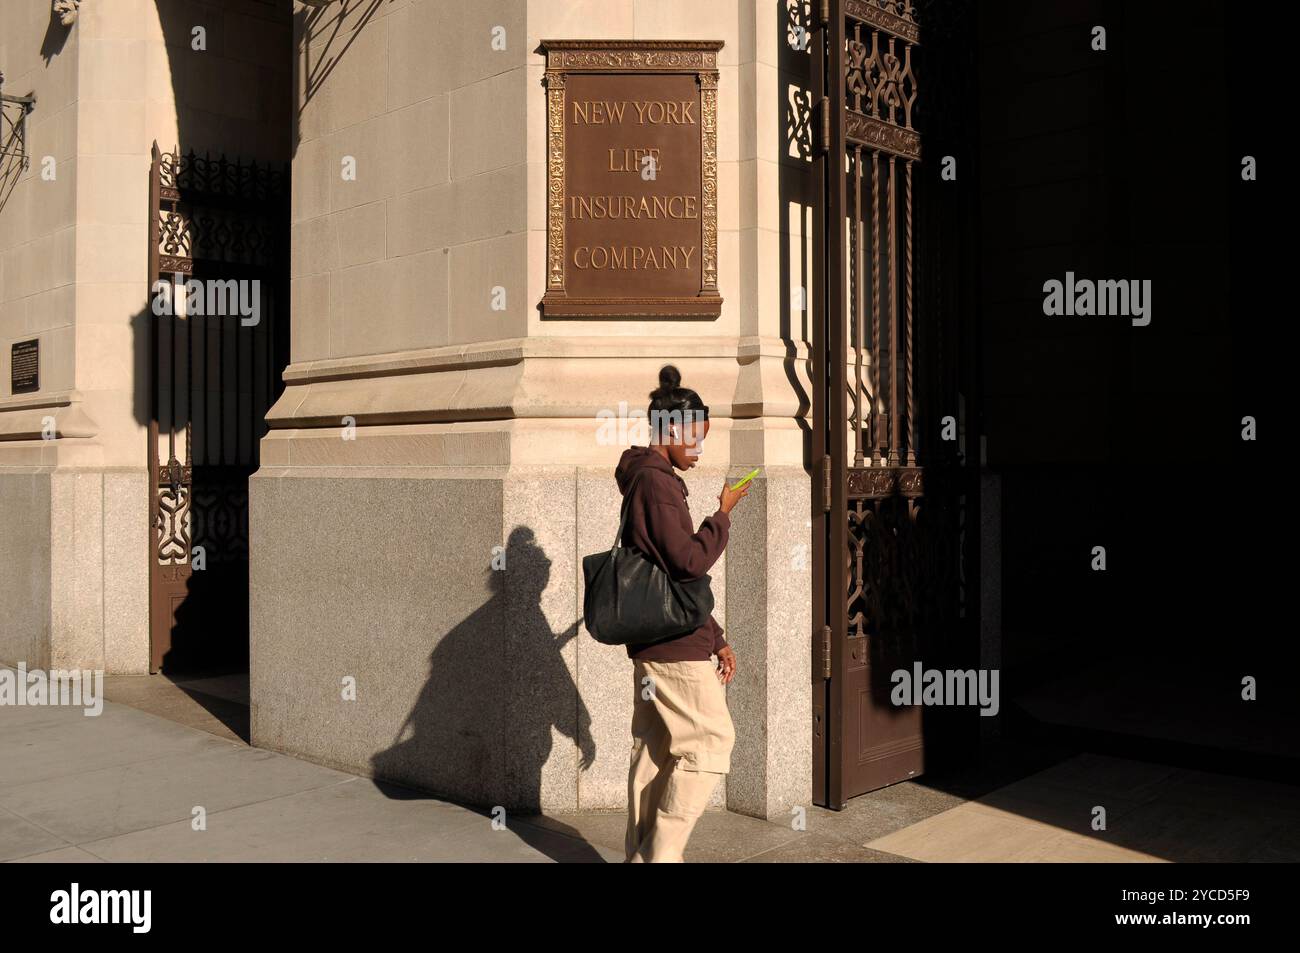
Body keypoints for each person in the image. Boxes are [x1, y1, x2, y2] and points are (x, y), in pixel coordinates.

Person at [617, 364, 748, 863]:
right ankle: (660, 858)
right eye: (695, 439)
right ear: (670, 430)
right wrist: (723, 515)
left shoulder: (647, 478)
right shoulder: (657, 483)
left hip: (662, 636)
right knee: (713, 741)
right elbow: (688, 560)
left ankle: (641, 856)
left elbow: (672, 575)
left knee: (654, 752)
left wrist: (715, 636)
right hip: (672, 643)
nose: (698, 449)